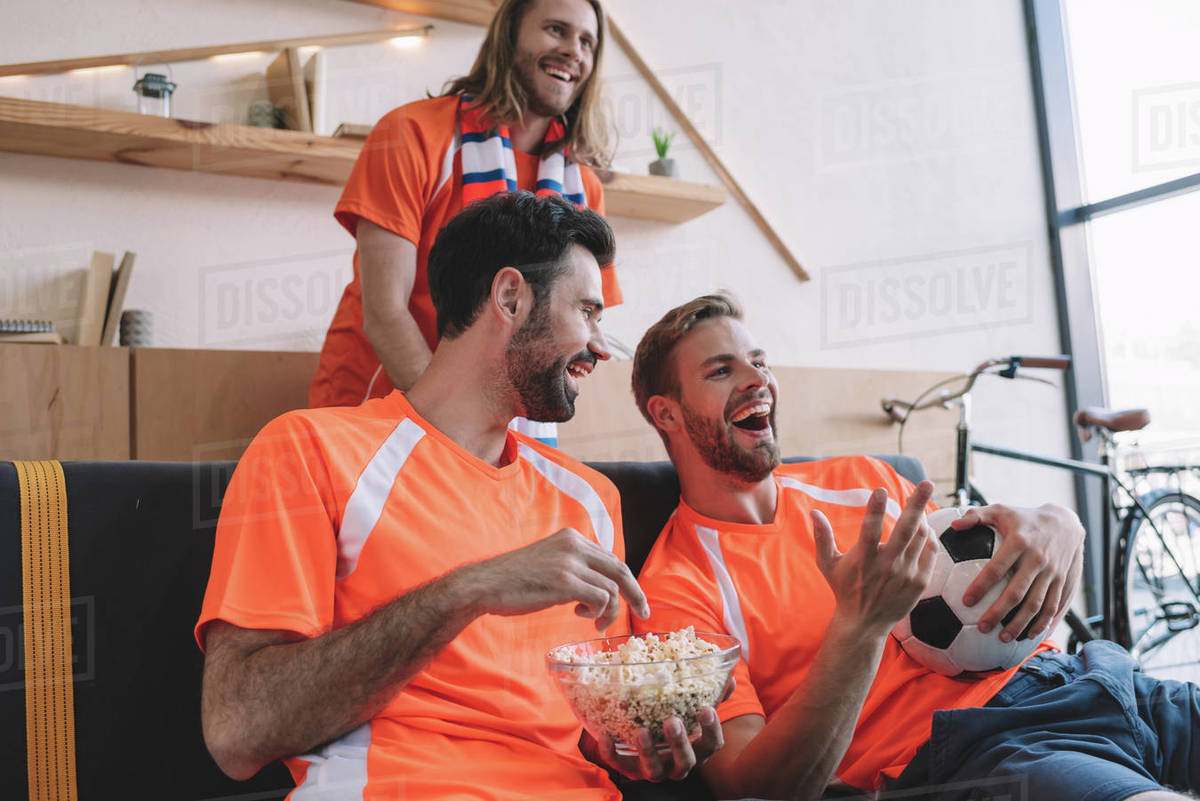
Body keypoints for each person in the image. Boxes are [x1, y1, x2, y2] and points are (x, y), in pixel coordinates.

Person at [196, 194, 720, 801]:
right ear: (510, 298)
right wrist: (468, 590)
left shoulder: (591, 501)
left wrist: (638, 745)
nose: (602, 347)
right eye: (587, 312)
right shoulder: (309, 449)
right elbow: (238, 730)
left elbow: (597, 732)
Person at [628, 292, 1199, 801]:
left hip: (1089, 679)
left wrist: (1057, 523)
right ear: (666, 412)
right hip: (987, 749)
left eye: (759, 361)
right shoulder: (676, 591)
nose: (756, 380)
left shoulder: (862, 477)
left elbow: (987, 566)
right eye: (721, 371)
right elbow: (756, 786)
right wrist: (859, 625)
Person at [310, 0, 622, 426]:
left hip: (490, 434)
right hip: (377, 409)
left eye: (587, 41)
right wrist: (456, 428)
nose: (574, 50)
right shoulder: (411, 134)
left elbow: (578, 331)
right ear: (509, 36)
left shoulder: (584, 188)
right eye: (556, 30)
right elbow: (385, 313)